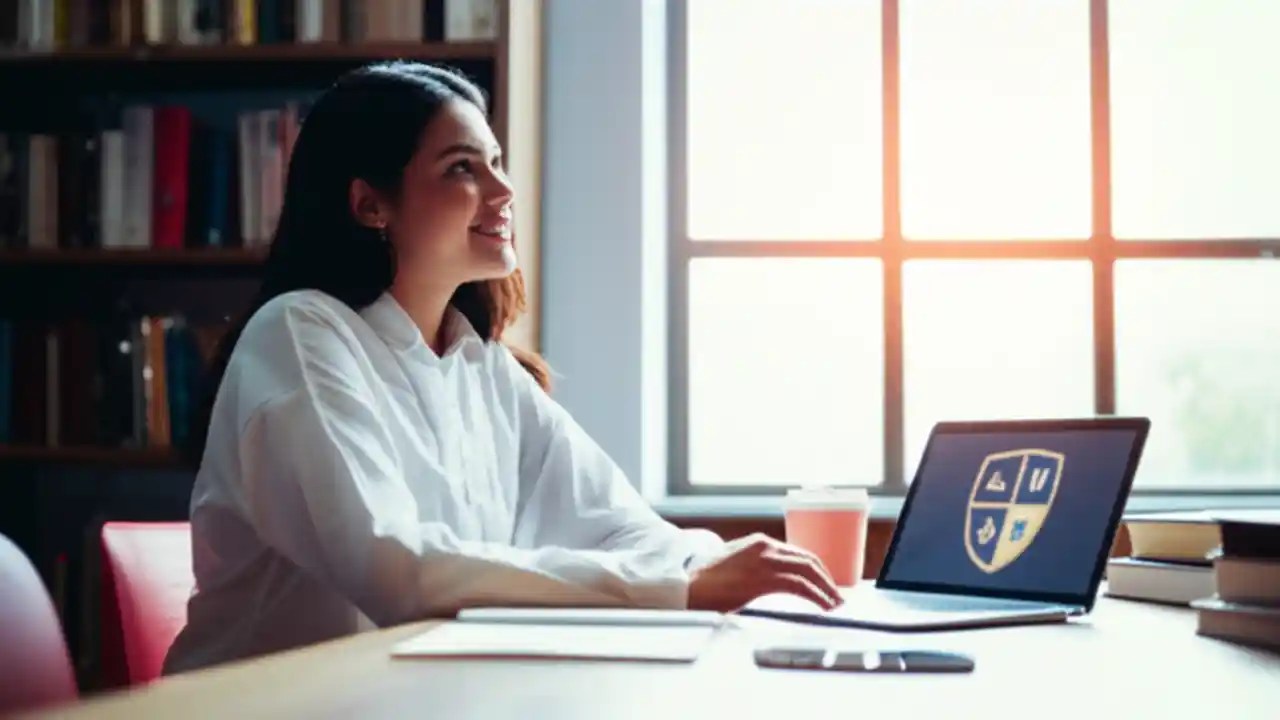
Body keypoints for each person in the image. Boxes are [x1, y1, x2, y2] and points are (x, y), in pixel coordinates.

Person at [163, 62, 841, 674]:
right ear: (370, 203)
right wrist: (681, 588)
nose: (503, 188)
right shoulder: (301, 334)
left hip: (405, 699)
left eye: (496, 161)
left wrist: (712, 563)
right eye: (463, 167)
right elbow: (398, 568)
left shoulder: (478, 362)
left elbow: (616, 525)